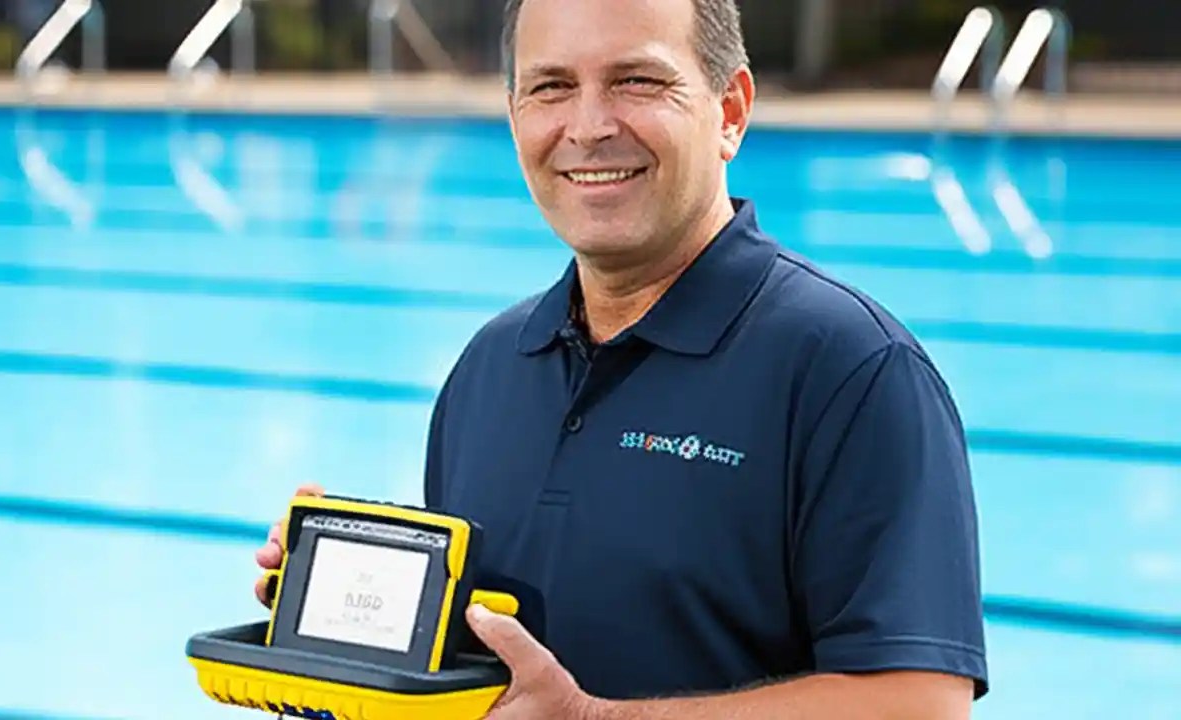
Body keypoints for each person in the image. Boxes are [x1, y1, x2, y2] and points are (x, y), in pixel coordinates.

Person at [256, 0, 989, 716]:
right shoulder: (489, 368)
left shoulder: (851, 369)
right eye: (551, 87)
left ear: (729, 111)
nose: (589, 126)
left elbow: (919, 703)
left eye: (638, 81)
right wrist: (346, 623)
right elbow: (487, 666)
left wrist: (588, 718)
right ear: (515, 116)